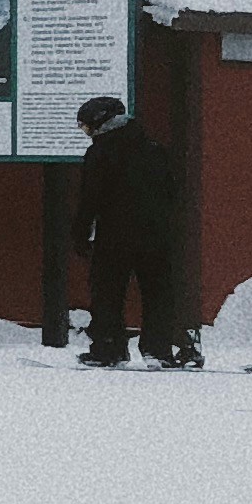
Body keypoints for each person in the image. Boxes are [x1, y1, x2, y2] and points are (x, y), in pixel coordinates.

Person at [72, 94, 194, 367]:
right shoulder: (154, 149)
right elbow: (173, 192)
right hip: (156, 235)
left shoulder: (100, 153)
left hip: (115, 237)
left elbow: (90, 198)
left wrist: (80, 233)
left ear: (101, 123)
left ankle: (109, 348)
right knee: (158, 292)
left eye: (86, 127)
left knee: (107, 293)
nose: (86, 133)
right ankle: (158, 350)